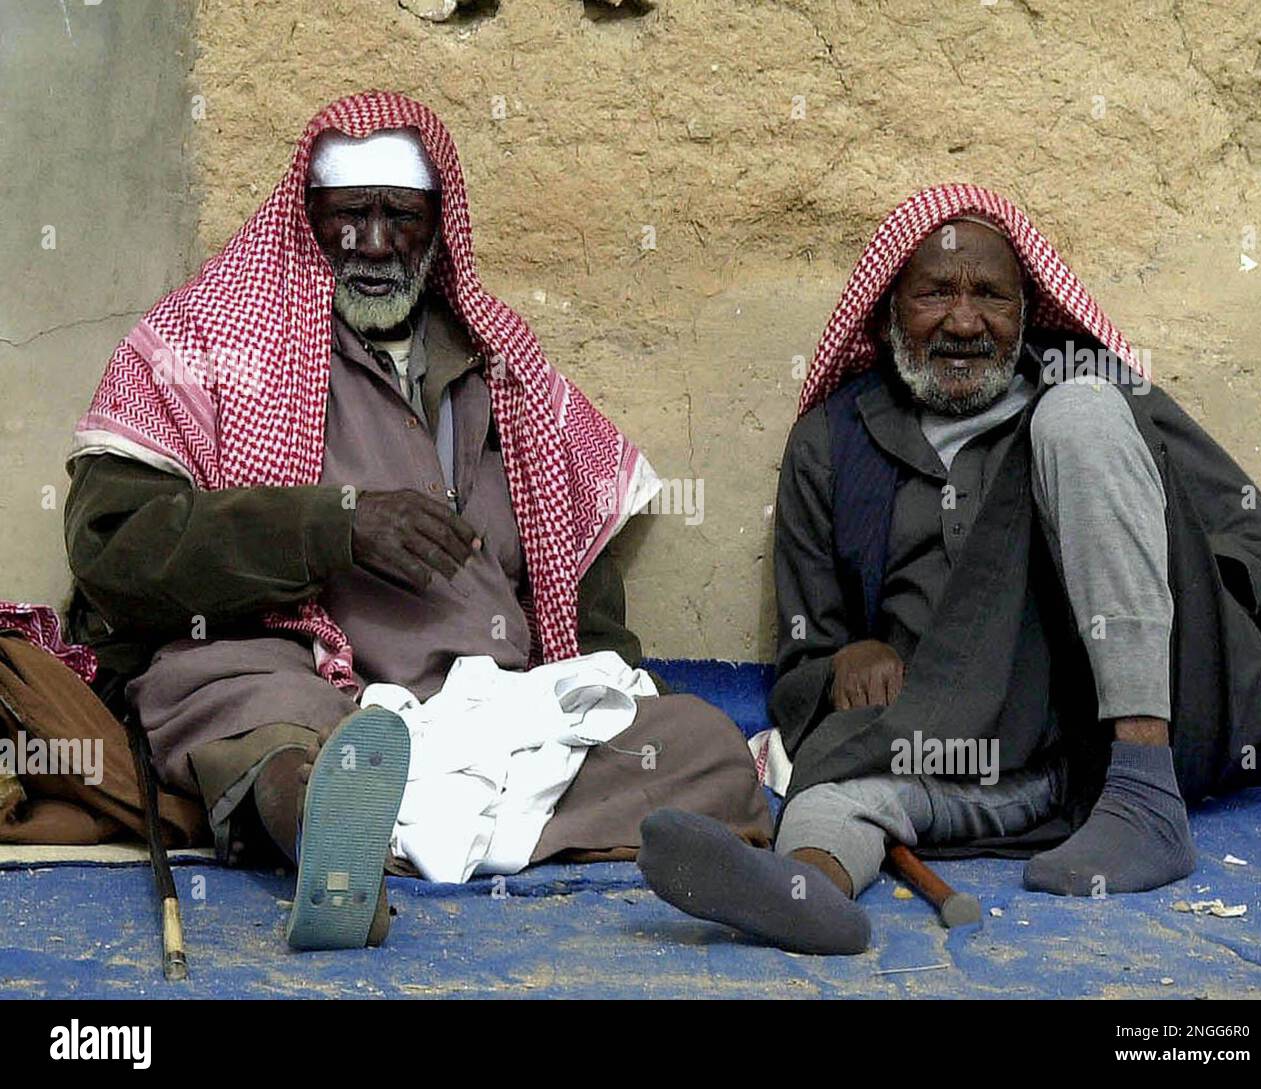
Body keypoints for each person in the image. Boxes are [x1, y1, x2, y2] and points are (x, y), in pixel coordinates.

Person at [63, 91, 771, 950]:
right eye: (347, 216)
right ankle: (329, 838)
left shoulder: (495, 362)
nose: (371, 242)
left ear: (438, 226)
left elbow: (572, 560)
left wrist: (597, 689)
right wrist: (335, 528)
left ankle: (389, 832)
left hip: (482, 700)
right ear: (306, 217)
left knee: (702, 743)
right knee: (248, 714)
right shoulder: (207, 340)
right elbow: (113, 549)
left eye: (398, 216)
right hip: (309, 681)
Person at [638, 184, 1261, 955]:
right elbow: (803, 655)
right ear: (890, 313)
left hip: (1110, 738)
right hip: (971, 756)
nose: (963, 320)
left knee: (1079, 414)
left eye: (990, 294)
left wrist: (1181, 604)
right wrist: (847, 655)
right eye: (936, 293)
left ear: (1027, 313)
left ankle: (1146, 797)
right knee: (831, 790)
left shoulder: (1091, 394)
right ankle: (808, 894)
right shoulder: (830, 444)